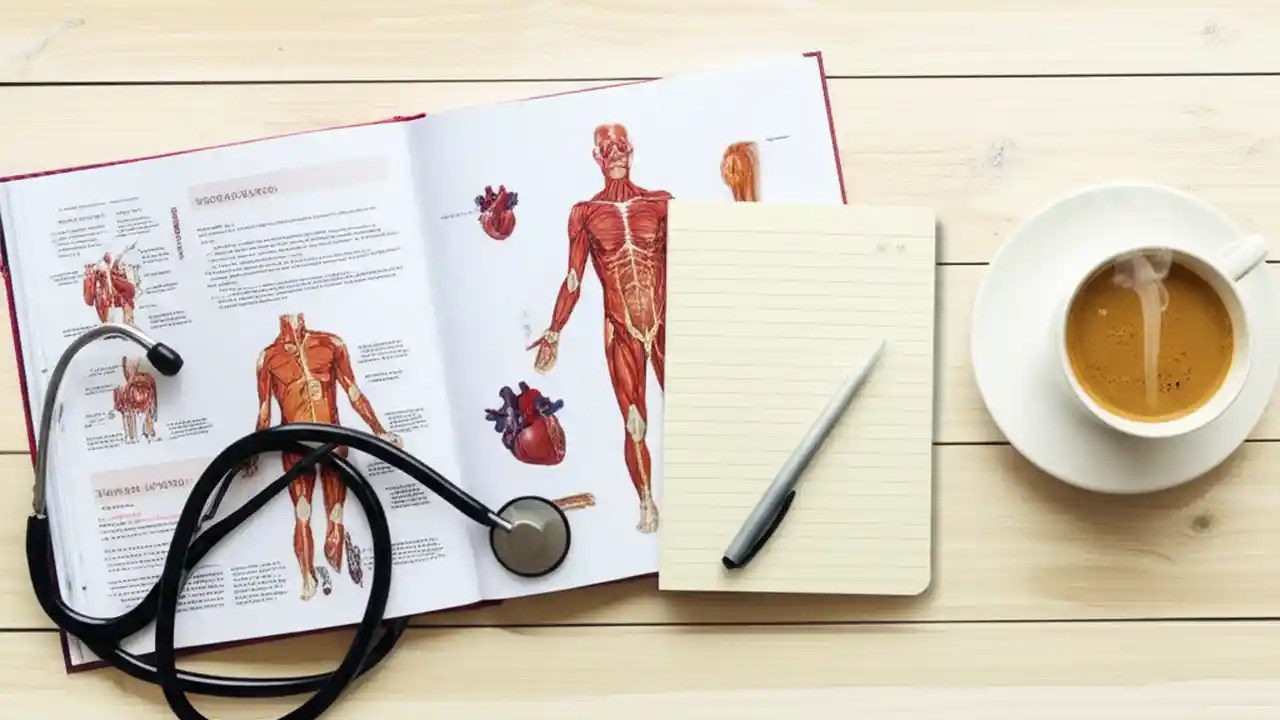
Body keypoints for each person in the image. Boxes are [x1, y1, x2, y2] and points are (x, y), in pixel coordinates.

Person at [528, 124, 671, 533]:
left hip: (664, 322)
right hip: (620, 328)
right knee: (634, 421)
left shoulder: (661, 204)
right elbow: (574, 279)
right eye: (607, 149)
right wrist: (554, 331)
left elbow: (690, 259)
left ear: (632, 149)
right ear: (596, 157)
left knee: (689, 408)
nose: (616, 154)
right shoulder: (585, 214)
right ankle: (646, 502)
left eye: (621, 146)